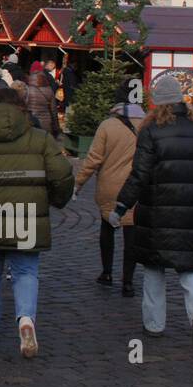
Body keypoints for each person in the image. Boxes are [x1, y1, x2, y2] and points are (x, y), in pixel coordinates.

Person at [0, 87, 73, 357]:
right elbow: (63, 174)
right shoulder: (40, 138)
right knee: (26, 272)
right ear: (22, 109)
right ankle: (26, 320)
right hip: (28, 216)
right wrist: (56, 199)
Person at [113, 74, 193, 348]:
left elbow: (139, 174)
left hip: (157, 211)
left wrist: (122, 205)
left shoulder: (151, 131)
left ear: (157, 102)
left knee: (154, 269)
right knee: (191, 270)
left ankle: (154, 324)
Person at [75, 89, 144, 296]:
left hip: (109, 185)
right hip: (136, 187)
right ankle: (128, 281)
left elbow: (94, 159)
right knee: (131, 233)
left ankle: (106, 272)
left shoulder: (107, 125)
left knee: (107, 227)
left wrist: (78, 182)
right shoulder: (147, 125)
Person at [24, 65, 60, 136]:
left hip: (30, 123)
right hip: (46, 125)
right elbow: (53, 110)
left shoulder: (27, 90)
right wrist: (56, 127)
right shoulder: (49, 90)